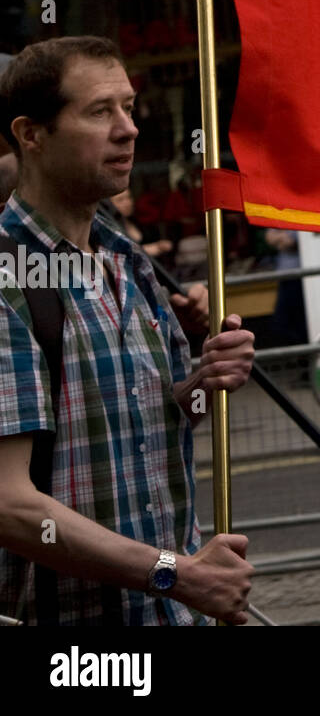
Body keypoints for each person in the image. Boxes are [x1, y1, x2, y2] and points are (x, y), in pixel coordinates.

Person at [0, 36, 256, 624]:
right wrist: (176, 572)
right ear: (30, 134)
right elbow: (10, 504)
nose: (128, 129)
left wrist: (207, 379)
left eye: (129, 107)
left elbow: (153, 423)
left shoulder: (129, 265)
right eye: (99, 111)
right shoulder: (8, 277)